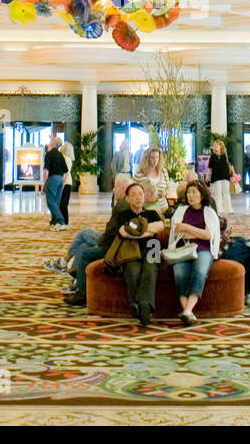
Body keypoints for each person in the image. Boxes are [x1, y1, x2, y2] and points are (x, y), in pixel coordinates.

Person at [95, 181, 165, 326]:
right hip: (130, 247)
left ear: (144, 197)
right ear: (127, 198)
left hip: (153, 246)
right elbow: (123, 232)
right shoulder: (123, 214)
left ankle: (142, 305)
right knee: (132, 271)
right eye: (134, 195)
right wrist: (145, 231)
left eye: (140, 194)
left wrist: (136, 231)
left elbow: (159, 227)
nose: (138, 197)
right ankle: (138, 305)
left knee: (150, 271)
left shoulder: (152, 213)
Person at [168, 180, 221, 325]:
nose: (191, 196)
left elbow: (208, 236)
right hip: (182, 249)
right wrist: (196, 231)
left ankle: (187, 310)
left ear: (202, 194)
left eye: (194, 192)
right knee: (179, 274)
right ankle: (187, 311)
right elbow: (177, 230)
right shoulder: (181, 210)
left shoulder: (209, 212)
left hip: (203, 249)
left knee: (200, 271)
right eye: (188, 193)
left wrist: (187, 228)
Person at [133, 145, 170, 212]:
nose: (155, 160)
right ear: (147, 158)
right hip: (146, 209)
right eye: (152, 158)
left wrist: (165, 192)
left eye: (157, 157)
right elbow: (133, 190)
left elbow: (168, 187)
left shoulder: (163, 171)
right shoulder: (140, 173)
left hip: (163, 207)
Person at [43, 135, 68, 230]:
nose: (49, 142)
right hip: (60, 179)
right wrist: (62, 180)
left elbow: (46, 170)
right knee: (56, 201)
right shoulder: (60, 155)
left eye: (51, 141)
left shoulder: (49, 154)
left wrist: (44, 181)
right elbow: (66, 171)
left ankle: (60, 221)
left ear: (53, 144)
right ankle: (54, 221)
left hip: (52, 178)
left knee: (50, 201)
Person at [208, 138, 233, 213]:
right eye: (214, 145)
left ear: (221, 147)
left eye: (217, 145)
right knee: (217, 194)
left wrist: (233, 174)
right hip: (216, 177)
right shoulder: (212, 156)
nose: (215, 147)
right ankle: (219, 208)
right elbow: (210, 167)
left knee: (226, 193)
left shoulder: (225, 155)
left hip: (225, 176)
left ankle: (228, 208)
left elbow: (229, 165)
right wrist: (207, 176)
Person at [60, 136, 75, 226]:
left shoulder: (66, 159)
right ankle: (64, 220)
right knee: (63, 203)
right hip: (66, 182)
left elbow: (66, 172)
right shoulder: (66, 158)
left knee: (63, 203)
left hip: (66, 183)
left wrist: (61, 183)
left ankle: (65, 221)